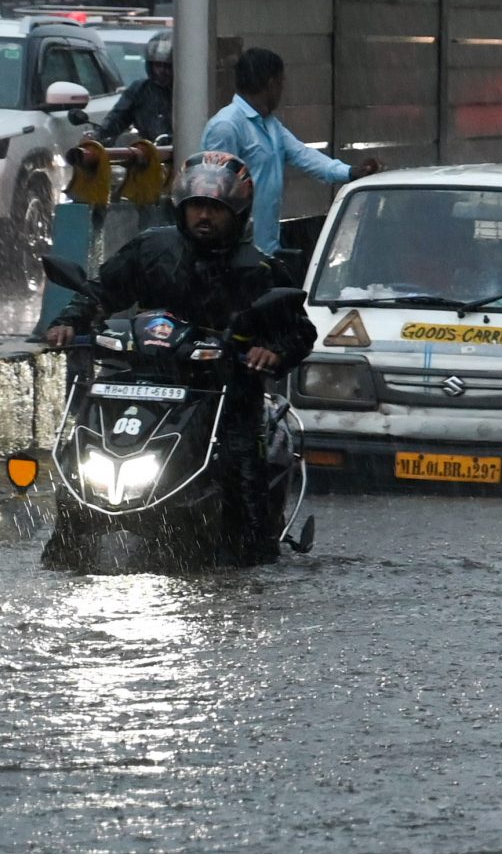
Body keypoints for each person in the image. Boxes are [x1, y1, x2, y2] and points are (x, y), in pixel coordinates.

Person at [43, 152, 317, 565]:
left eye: (215, 208)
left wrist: (271, 351)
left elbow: (299, 331)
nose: (204, 216)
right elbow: (101, 292)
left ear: (236, 211)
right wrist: (70, 320)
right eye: (197, 207)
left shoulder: (259, 269)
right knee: (76, 449)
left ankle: (253, 569)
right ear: (181, 208)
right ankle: (65, 546)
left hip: (223, 389)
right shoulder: (152, 248)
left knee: (243, 474)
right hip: (142, 378)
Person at [200, 46, 383, 254]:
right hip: (237, 252)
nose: (282, 91)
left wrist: (350, 172)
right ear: (271, 85)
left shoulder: (270, 125)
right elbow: (217, 193)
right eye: (281, 83)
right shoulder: (227, 126)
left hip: (266, 248)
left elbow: (303, 155)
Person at [97, 32, 174, 143]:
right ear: (150, 65)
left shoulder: (190, 92)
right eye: (157, 65)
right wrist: (99, 135)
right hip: (149, 151)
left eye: (167, 66)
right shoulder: (140, 89)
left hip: (185, 153)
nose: (162, 71)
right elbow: (118, 118)